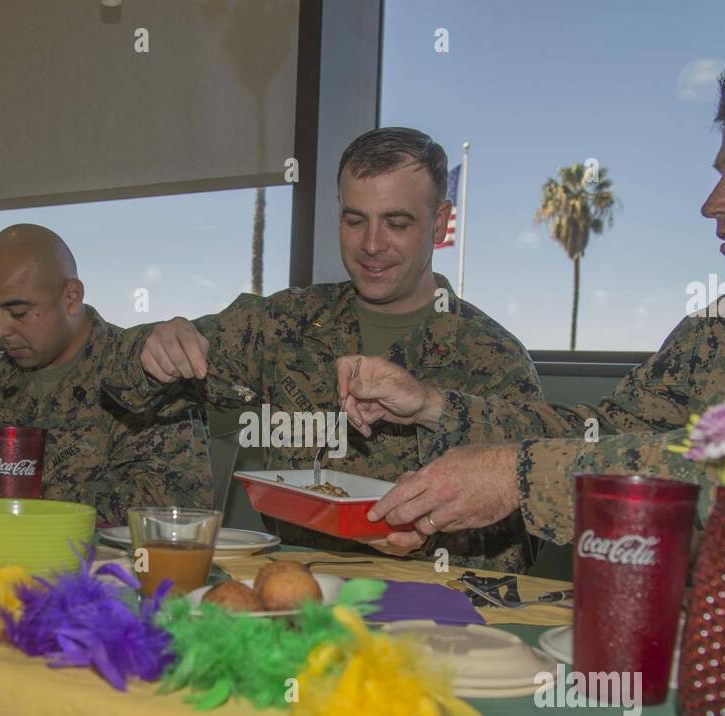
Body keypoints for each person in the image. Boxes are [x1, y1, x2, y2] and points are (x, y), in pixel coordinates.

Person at [339, 48, 725, 628]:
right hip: (697, 675)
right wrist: (432, 407)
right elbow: (610, 432)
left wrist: (519, 479)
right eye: (721, 173)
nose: (713, 203)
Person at [101, 127, 543, 569]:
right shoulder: (286, 323)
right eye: (355, 220)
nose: (371, 244)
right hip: (295, 591)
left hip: (435, 609)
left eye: (397, 223)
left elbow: (530, 515)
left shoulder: (493, 357)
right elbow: (118, 374)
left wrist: (431, 528)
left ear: (442, 221)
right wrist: (154, 348)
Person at [0, 225, 212, 525]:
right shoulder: (0, 377)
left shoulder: (144, 372)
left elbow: (172, 507)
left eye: (18, 312)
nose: (0, 329)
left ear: (71, 298)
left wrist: (29, 494)